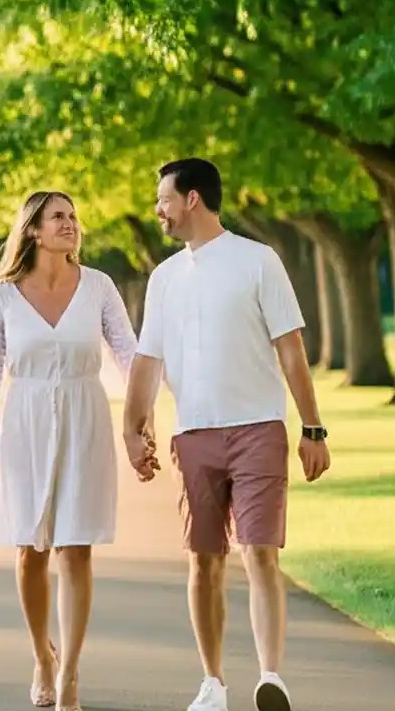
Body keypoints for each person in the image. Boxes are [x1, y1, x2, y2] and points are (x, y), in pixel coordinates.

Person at [121, 159, 331, 711]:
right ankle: (212, 683)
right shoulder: (164, 277)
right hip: (193, 436)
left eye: (163, 199)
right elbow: (147, 358)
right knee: (203, 559)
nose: (158, 211)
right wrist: (132, 427)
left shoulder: (258, 261)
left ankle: (271, 677)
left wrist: (312, 428)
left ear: (192, 199)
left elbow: (292, 351)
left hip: (258, 428)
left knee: (260, 553)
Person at [0, 190, 140, 711]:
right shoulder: (2, 296)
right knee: (30, 548)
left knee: (77, 545)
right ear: (34, 231)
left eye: (73, 216)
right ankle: (42, 656)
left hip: (86, 417)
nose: (70, 224)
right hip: (24, 422)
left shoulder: (100, 287)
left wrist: (141, 419)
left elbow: (131, 355)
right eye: (58, 217)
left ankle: (68, 673)